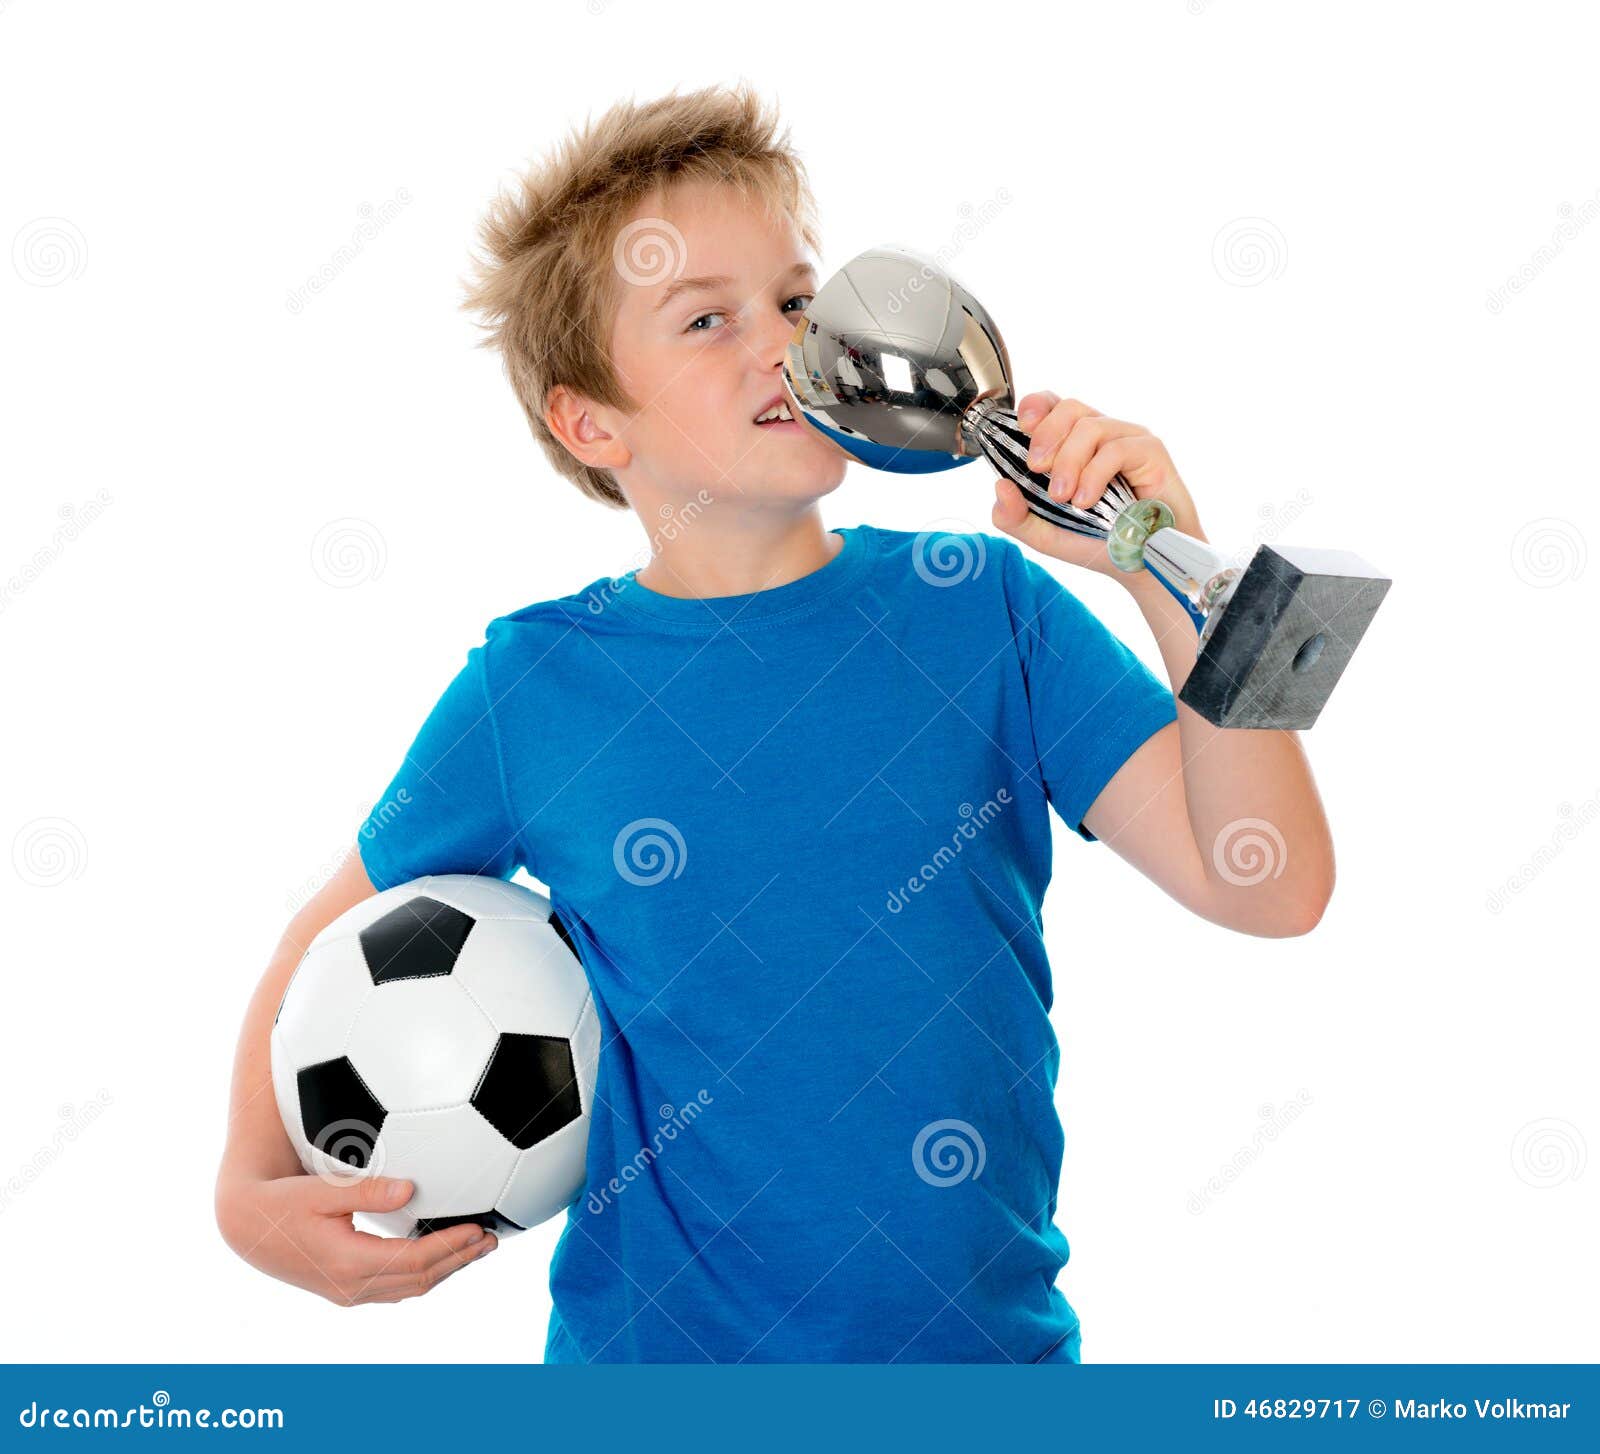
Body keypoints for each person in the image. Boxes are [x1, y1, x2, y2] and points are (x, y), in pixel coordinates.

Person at [215, 82, 1335, 1362]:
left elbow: (1272, 884)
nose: (782, 346)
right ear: (589, 422)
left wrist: (1160, 558)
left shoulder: (987, 614)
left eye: (797, 302)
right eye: (706, 318)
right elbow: (324, 942)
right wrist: (248, 1197)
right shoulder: (535, 686)